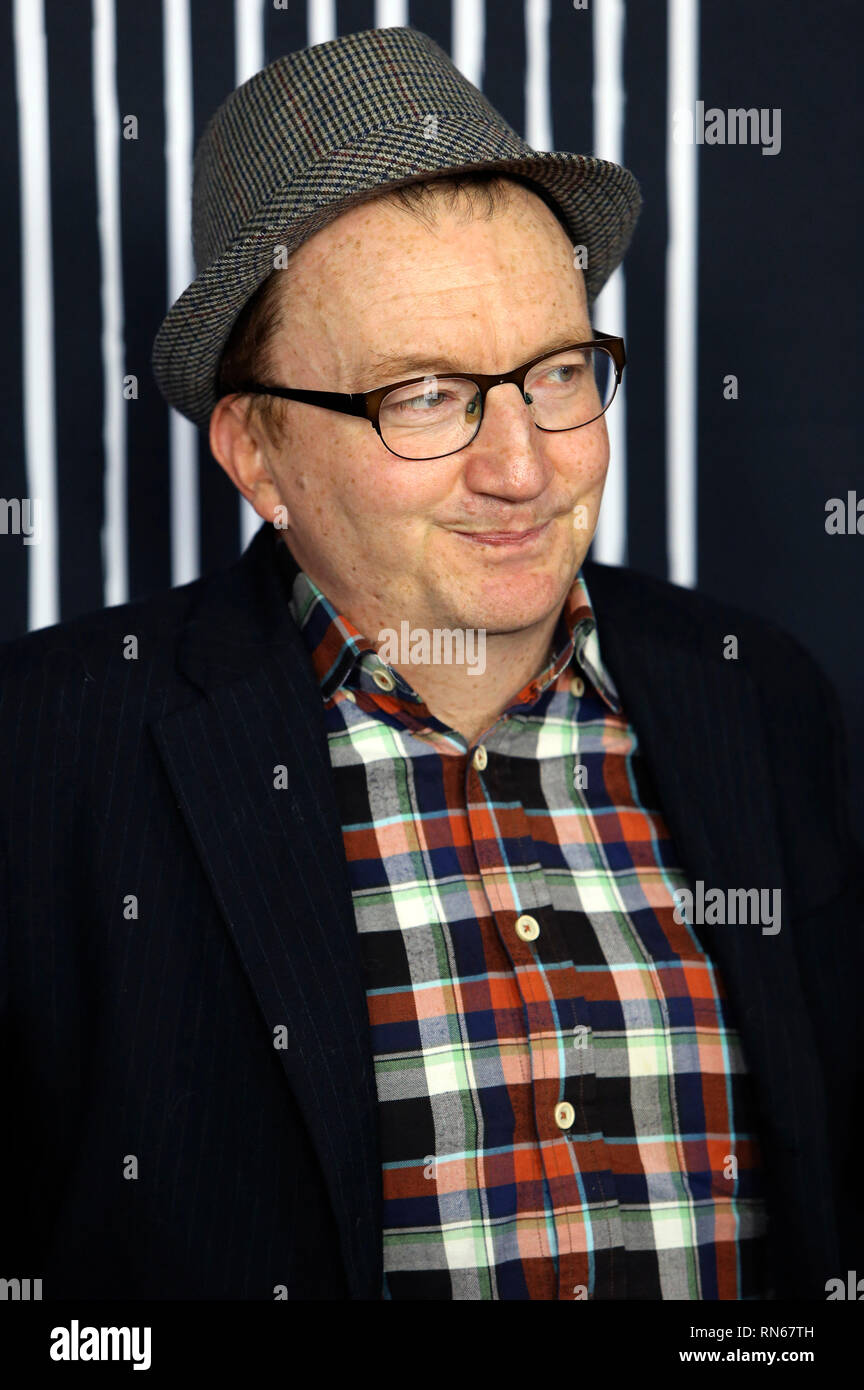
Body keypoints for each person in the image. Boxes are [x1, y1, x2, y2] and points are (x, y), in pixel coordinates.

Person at [1, 26, 860, 1301]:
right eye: (423, 396)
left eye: (558, 373)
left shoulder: (759, 698)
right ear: (257, 453)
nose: (524, 467)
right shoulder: (46, 752)